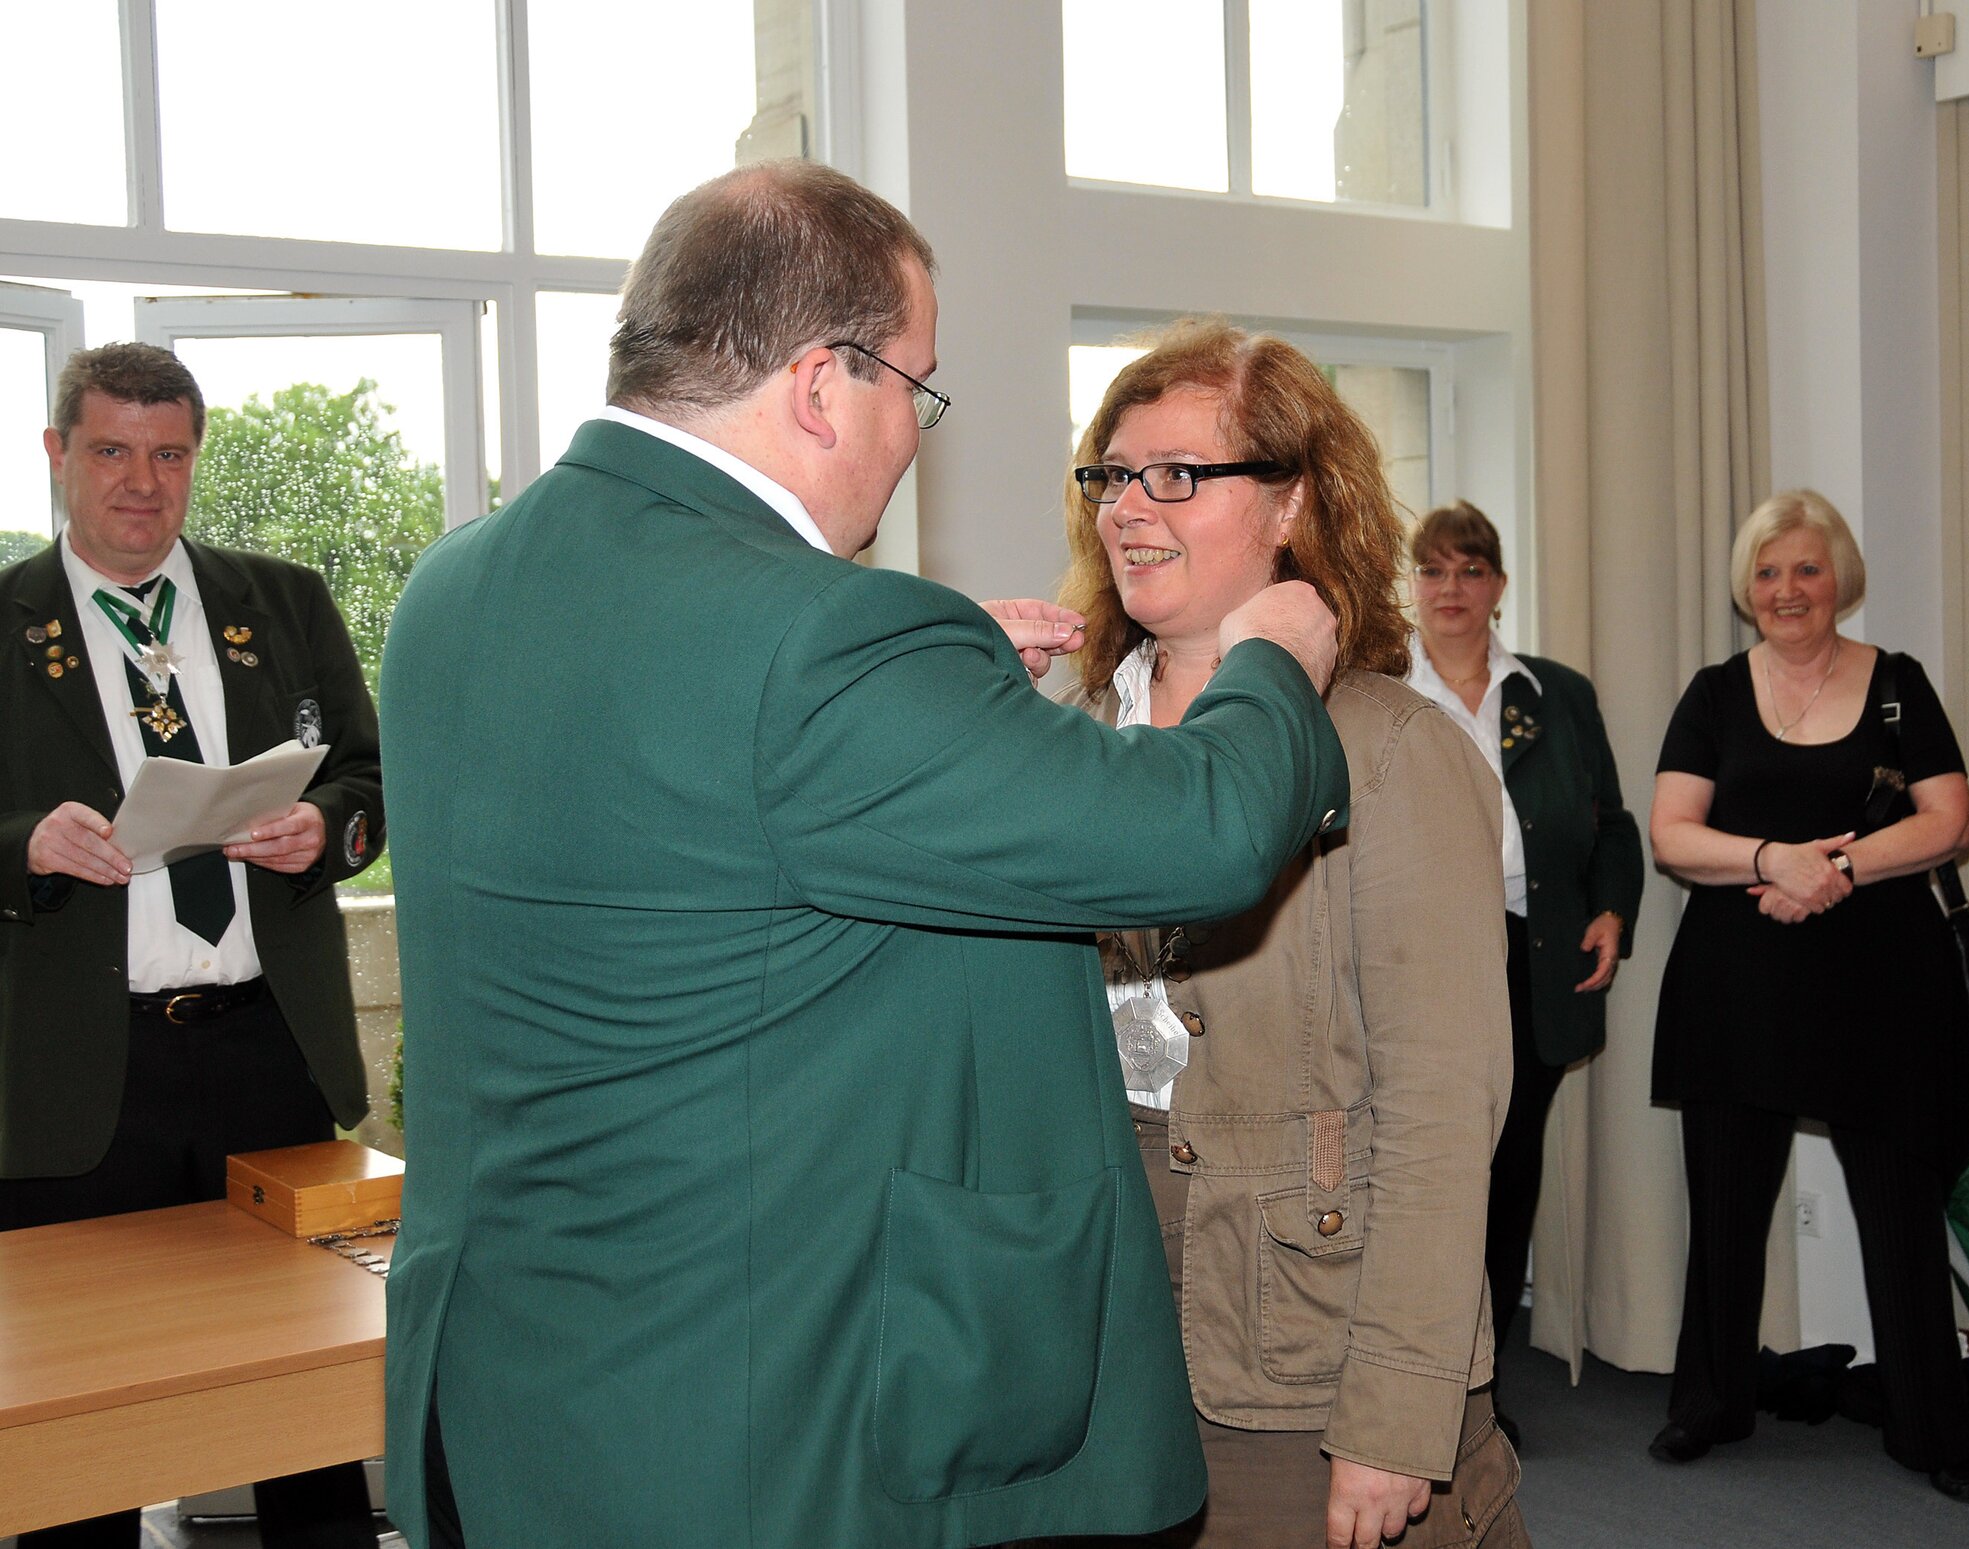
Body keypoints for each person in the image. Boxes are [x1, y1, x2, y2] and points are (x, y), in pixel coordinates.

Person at [377, 162, 1353, 1549]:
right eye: (917, 387)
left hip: (507, 1395)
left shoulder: (456, 587)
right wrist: (1269, 665)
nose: (913, 434)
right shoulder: (819, 644)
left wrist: (938, 698)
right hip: (749, 1420)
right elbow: (1196, 837)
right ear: (825, 382)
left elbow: (709, 802)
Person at [1048, 320, 1526, 1548]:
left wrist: (1395, 1413)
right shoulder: (1060, 738)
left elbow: (1439, 1110)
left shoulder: (1392, 753)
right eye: (1110, 474)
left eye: (1176, 474)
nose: (1126, 508)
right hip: (1092, 1313)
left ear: (1289, 503)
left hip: (1299, 1341)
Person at [0, 342, 384, 1547]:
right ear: (58, 454)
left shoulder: (285, 601)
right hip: (72, 1081)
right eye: (110, 450)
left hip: (267, 1059)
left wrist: (325, 824)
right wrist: (23, 842)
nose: (141, 482)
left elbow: (377, 777)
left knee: (307, 1425)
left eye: (169, 454)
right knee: (80, 1438)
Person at [1647, 488, 1969, 1500]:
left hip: (1881, 985)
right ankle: (1707, 1405)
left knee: (1898, 1209)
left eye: (1804, 568)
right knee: (1723, 1211)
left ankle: (1932, 1431)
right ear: (1743, 589)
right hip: (1734, 984)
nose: (1784, 589)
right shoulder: (1712, 693)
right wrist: (1767, 857)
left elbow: (1947, 820)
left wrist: (1829, 870)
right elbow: (1671, 831)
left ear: (1837, 576)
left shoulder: (1897, 684)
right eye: (1764, 571)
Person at [1402, 499, 1643, 1444]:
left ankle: (1481, 1390)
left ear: (1498, 586)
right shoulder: (1382, 685)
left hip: (1530, 952)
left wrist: (1612, 909)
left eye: (1470, 570)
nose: (1451, 589)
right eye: (1433, 571)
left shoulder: (1556, 693)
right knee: (1428, 1172)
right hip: (1417, 959)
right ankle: (1413, 1379)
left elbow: (1613, 823)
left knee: (1506, 1174)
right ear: (1410, 585)